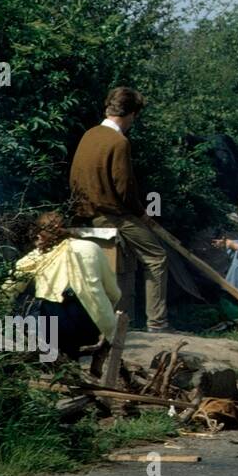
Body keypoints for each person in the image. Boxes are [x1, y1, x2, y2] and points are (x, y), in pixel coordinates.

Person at [69, 86, 174, 332]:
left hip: (86, 213)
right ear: (131, 114)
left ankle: (125, 320)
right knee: (157, 257)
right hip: (112, 215)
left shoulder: (89, 135)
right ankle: (157, 323)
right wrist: (141, 213)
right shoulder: (119, 142)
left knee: (126, 264)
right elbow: (124, 187)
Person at [5, 212, 122, 359]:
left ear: (40, 235)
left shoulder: (36, 257)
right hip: (94, 329)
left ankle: (48, 356)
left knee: (35, 305)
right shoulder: (92, 248)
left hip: (57, 330)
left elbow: (9, 290)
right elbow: (114, 293)